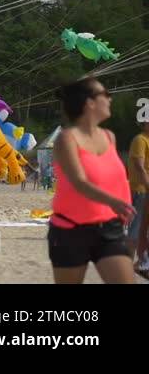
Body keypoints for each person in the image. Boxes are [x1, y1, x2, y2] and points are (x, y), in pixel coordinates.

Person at [49, 77, 135, 284]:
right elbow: (79, 182)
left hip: (109, 228)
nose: (110, 99)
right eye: (105, 94)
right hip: (70, 231)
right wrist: (113, 201)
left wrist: (123, 207)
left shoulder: (109, 137)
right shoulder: (67, 138)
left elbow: (117, 180)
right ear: (90, 103)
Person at [127, 122, 149, 275]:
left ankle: (141, 262)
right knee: (136, 228)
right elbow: (139, 166)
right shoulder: (140, 140)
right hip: (141, 190)